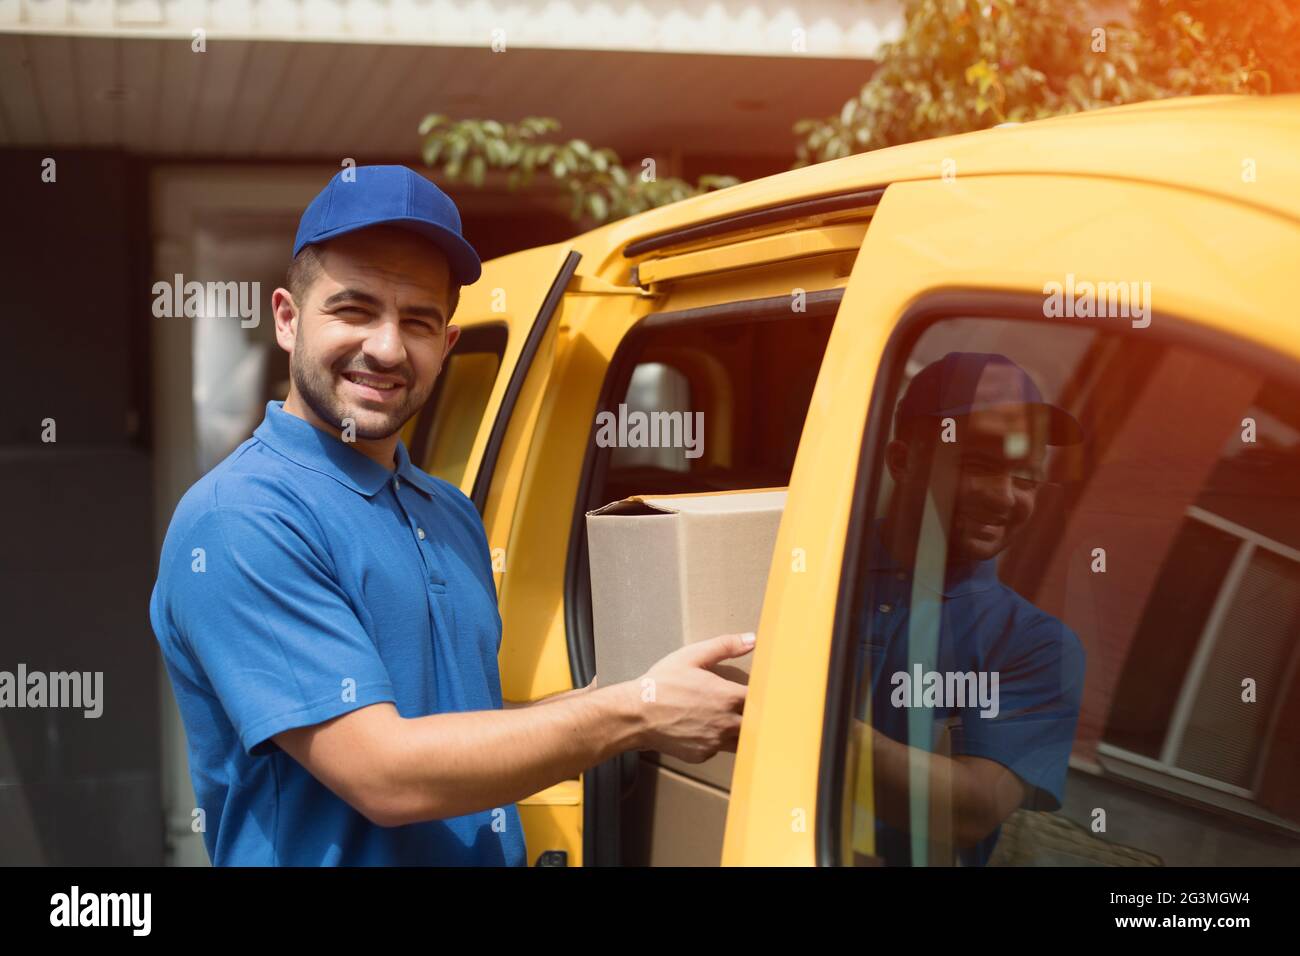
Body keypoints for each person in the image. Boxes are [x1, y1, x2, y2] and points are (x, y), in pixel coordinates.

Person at [149, 165, 751, 866]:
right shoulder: (241, 520)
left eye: (418, 321)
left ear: (447, 345)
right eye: (354, 309)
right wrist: (633, 712)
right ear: (287, 319)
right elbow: (385, 775)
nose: (386, 347)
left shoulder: (449, 512)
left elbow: (465, 731)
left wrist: (625, 695)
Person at [853, 351, 1087, 866]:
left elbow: (972, 809)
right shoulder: (814, 570)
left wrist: (771, 721)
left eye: (1026, 479)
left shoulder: (1037, 645)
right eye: (980, 466)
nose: (1005, 498)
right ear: (901, 461)